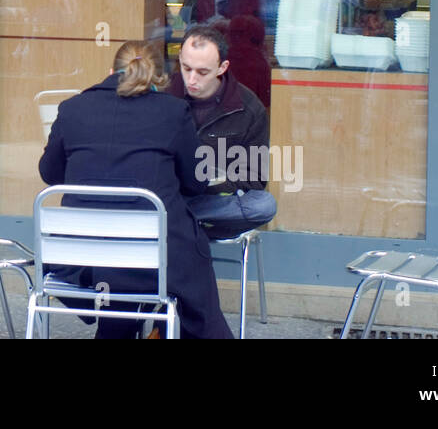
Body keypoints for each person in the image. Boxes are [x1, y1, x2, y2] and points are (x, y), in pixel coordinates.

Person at [38, 39, 233, 339]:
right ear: (158, 78)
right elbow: (197, 183)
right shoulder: (173, 111)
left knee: (122, 272)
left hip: (85, 261)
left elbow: (49, 174)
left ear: (110, 71)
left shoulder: (73, 108)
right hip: (152, 260)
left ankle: (120, 330)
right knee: (186, 247)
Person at [169, 23, 277, 239]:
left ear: (222, 67)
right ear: (179, 59)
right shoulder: (162, 97)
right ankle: (189, 228)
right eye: (186, 68)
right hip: (170, 194)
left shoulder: (248, 108)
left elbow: (255, 178)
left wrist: (215, 181)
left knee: (263, 205)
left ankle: (184, 229)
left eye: (202, 72)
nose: (191, 79)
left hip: (210, 200)